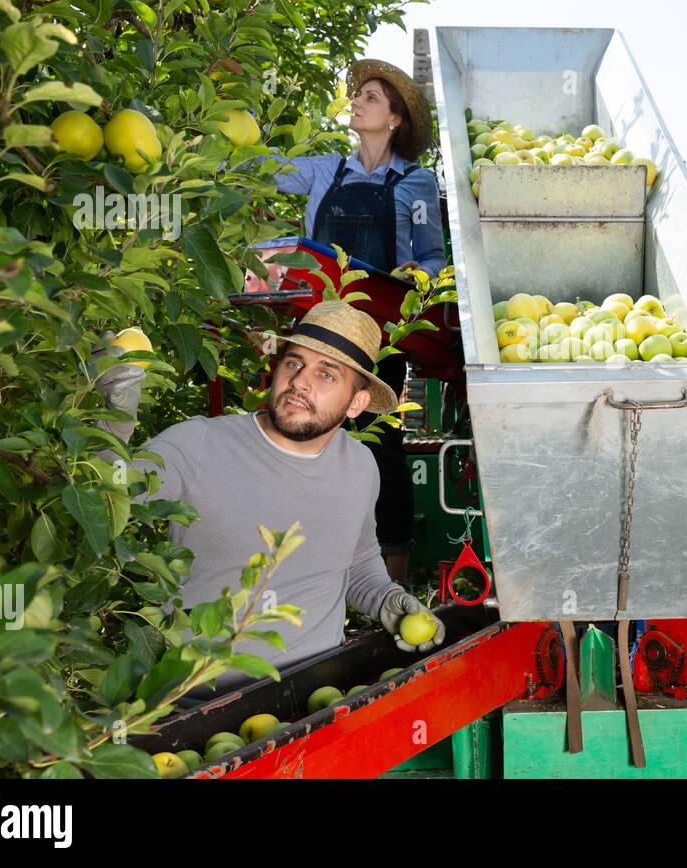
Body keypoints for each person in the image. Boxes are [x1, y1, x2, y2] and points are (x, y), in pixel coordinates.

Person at [94, 301, 445, 699]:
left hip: (317, 704)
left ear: (356, 404)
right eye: (294, 363)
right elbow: (111, 499)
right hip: (195, 713)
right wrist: (112, 417)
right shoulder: (198, 444)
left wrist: (386, 598)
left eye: (325, 374)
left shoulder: (360, 465)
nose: (300, 382)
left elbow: (357, 562)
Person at [261, 59, 447, 583]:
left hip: (376, 330)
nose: (356, 102)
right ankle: (297, 572)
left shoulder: (415, 182)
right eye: (356, 94)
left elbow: (431, 254)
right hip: (316, 321)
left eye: (369, 96)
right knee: (295, 429)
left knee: (376, 440)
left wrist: (417, 274)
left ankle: (389, 579)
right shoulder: (324, 169)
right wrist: (241, 96)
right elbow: (258, 164)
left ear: (394, 119)